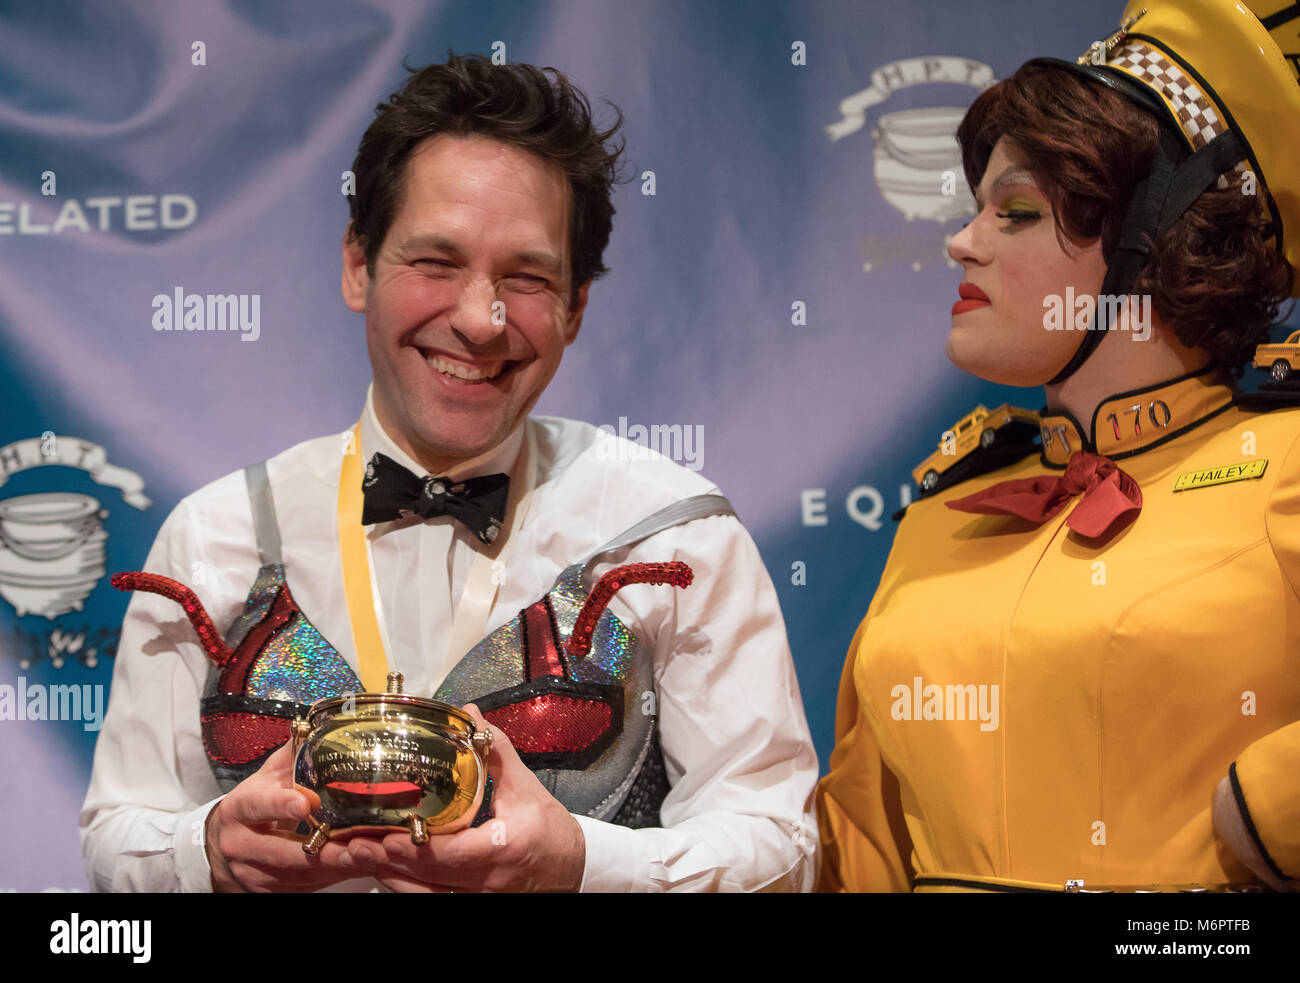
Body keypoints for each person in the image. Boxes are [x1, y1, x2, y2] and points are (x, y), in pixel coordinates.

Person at [80, 53, 818, 893]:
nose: (480, 319)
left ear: (577, 306)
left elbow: (781, 845)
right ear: (359, 265)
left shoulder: (673, 532)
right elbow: (116, 832)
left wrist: (581, 865)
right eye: (436, 262)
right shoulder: (216, 534)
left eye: (527, 276)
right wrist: (206, 848)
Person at [816, 0, 1300, 892]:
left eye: (1019, 211)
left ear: (1156, 240)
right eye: (978, 209)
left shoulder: (1291, 468)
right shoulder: (943, 509)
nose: (961, 242)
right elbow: (858, 840)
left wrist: (1274, 818)